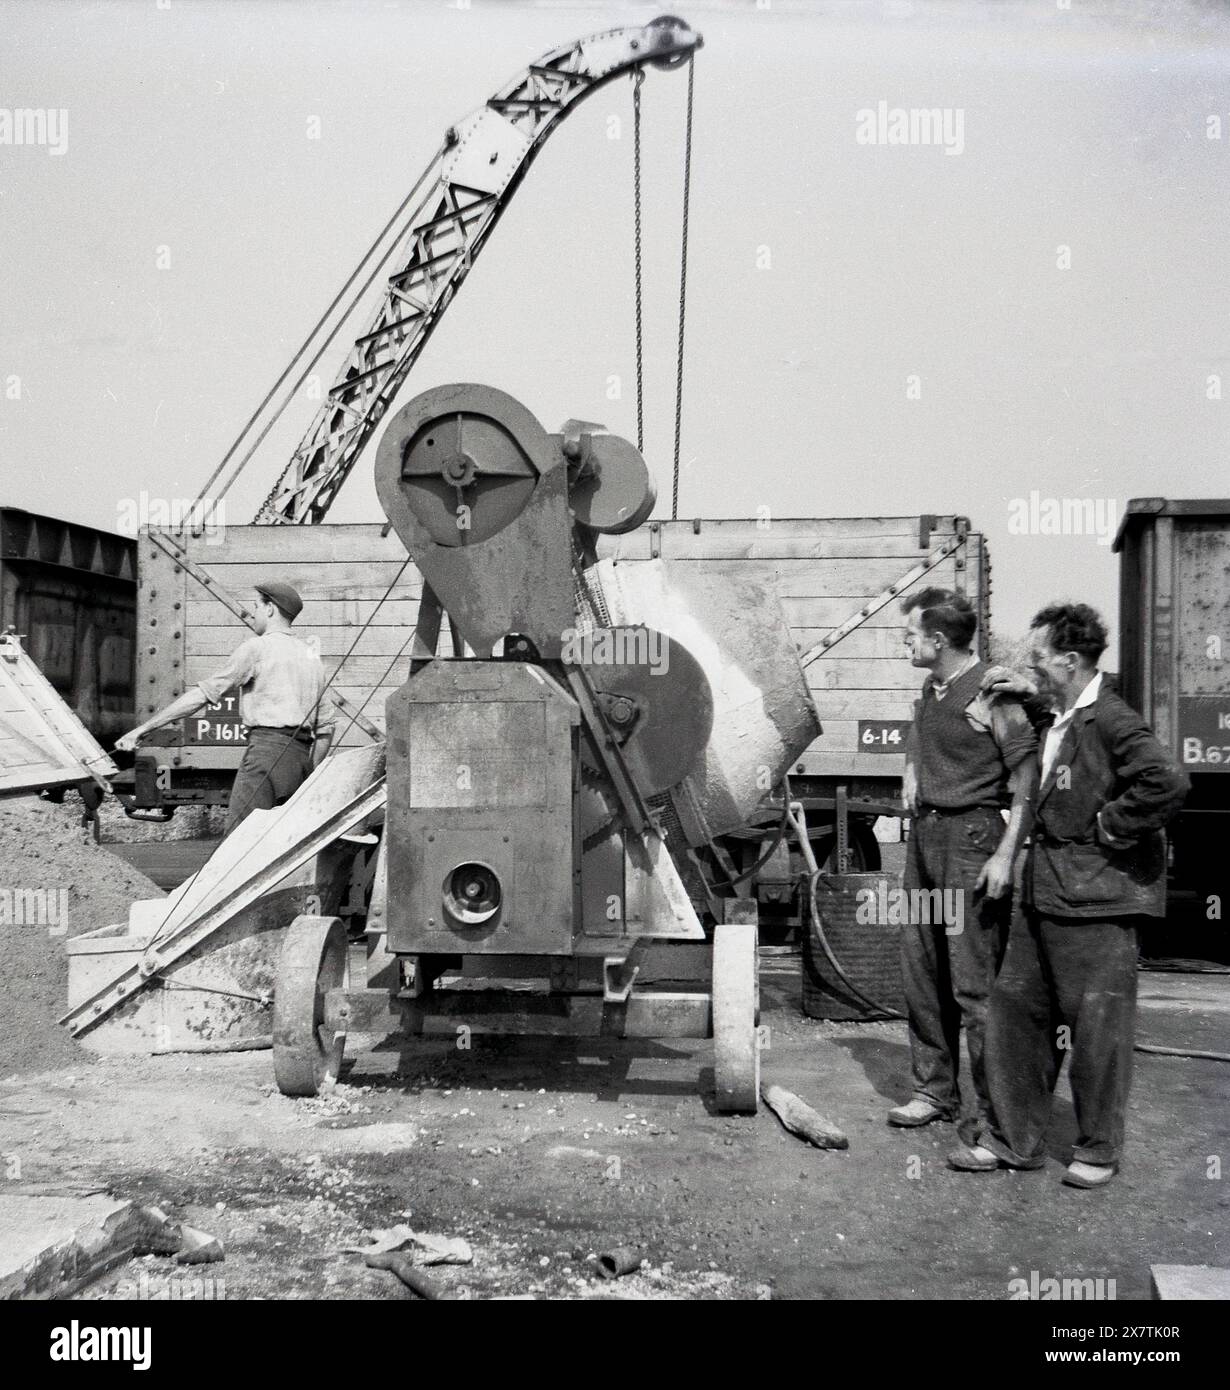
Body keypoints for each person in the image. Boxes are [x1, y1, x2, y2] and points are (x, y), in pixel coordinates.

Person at [949, 603, 1188, 1187]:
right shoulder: (1060, 713)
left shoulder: (1111, 718)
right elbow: (1051, 732)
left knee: (1097, 1029)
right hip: (1046, 891)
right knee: (1016, 1014)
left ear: (1071, 660)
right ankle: (1014, 1140)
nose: (1031, 668)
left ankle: (1098, 1150)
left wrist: (1113, 825)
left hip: (1097, 899)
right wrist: (1027, 691)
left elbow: (1168, 780)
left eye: (1038, 659)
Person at [889, 588, 1040, 1144]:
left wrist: (1006, 854)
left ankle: (993, 1114)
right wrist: (911, 769)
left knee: (973, 984)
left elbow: (1027, 781)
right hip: (926, 841)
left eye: (910, 635)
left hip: (973, 841)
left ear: (938, 639)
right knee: (922, 969)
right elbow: (922, 734)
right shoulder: (932, 691)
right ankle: (935, 1090)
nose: (904, 642)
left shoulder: (994, 692)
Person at [115, 580, 336, 834]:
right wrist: (308, 771)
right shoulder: (310, 656)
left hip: (266, 753)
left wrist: (142, 730)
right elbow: (326, 728)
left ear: (270, 609)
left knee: (239, 839)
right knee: (279, 839)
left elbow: (202, 695)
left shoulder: (257, 648)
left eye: (256, 606)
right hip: (300, 758)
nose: (253, 613)